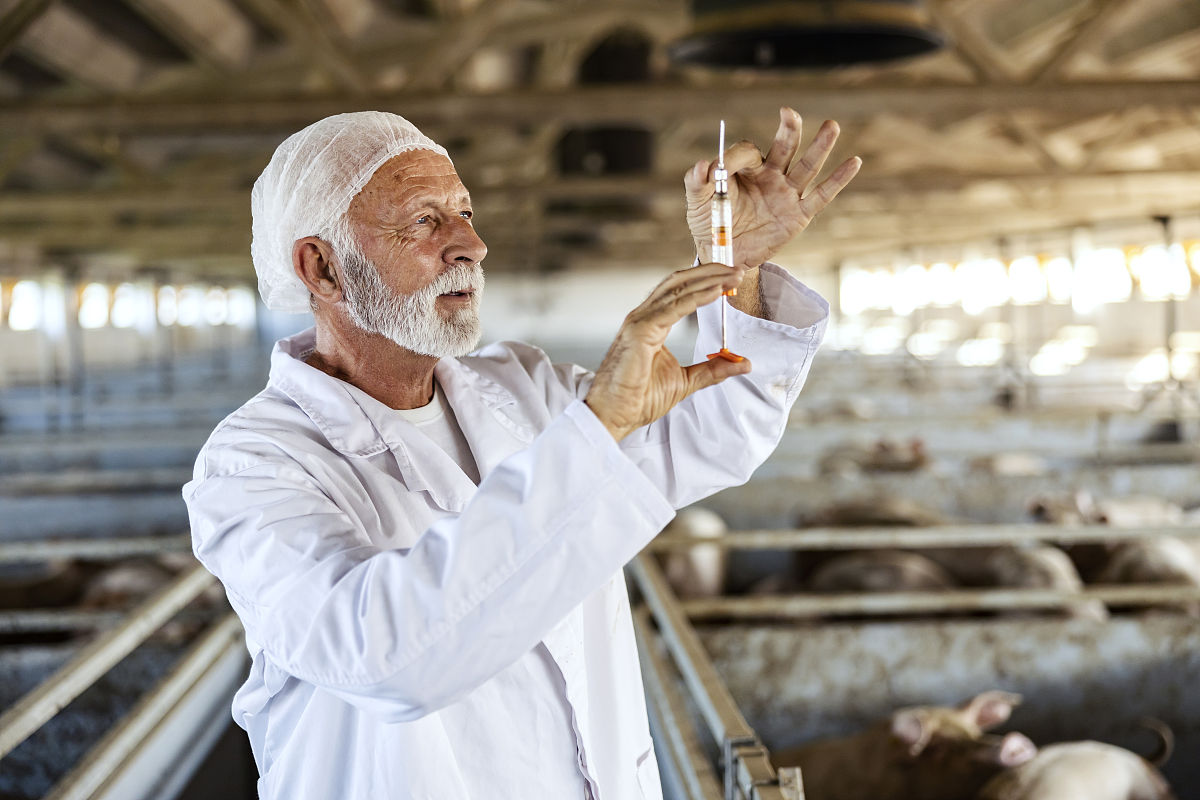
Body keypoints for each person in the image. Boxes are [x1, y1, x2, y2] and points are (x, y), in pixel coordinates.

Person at [184, 107, 860, 800]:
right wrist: (596, 427)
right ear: (322, 267)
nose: (471, 245)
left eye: (465, 214)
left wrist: (736, 265)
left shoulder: (524, 387)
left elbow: (714, 433)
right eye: (424, 221)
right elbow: (383, 659)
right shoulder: (254, 465)